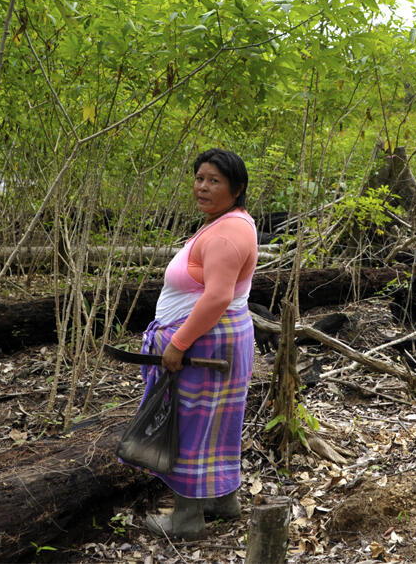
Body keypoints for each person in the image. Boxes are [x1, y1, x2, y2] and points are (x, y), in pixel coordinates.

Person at [134, 148, 259, 539]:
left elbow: (218, 296)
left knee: (190, 424)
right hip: (218, 340)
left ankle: (186, 519)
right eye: (200, 178)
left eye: (214, 181)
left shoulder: (226, 232)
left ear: (236, 188)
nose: (203, 187)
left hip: (204, 343)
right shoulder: (230, 222)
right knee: (218, 421)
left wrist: (179, 343)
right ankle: (223, 499)